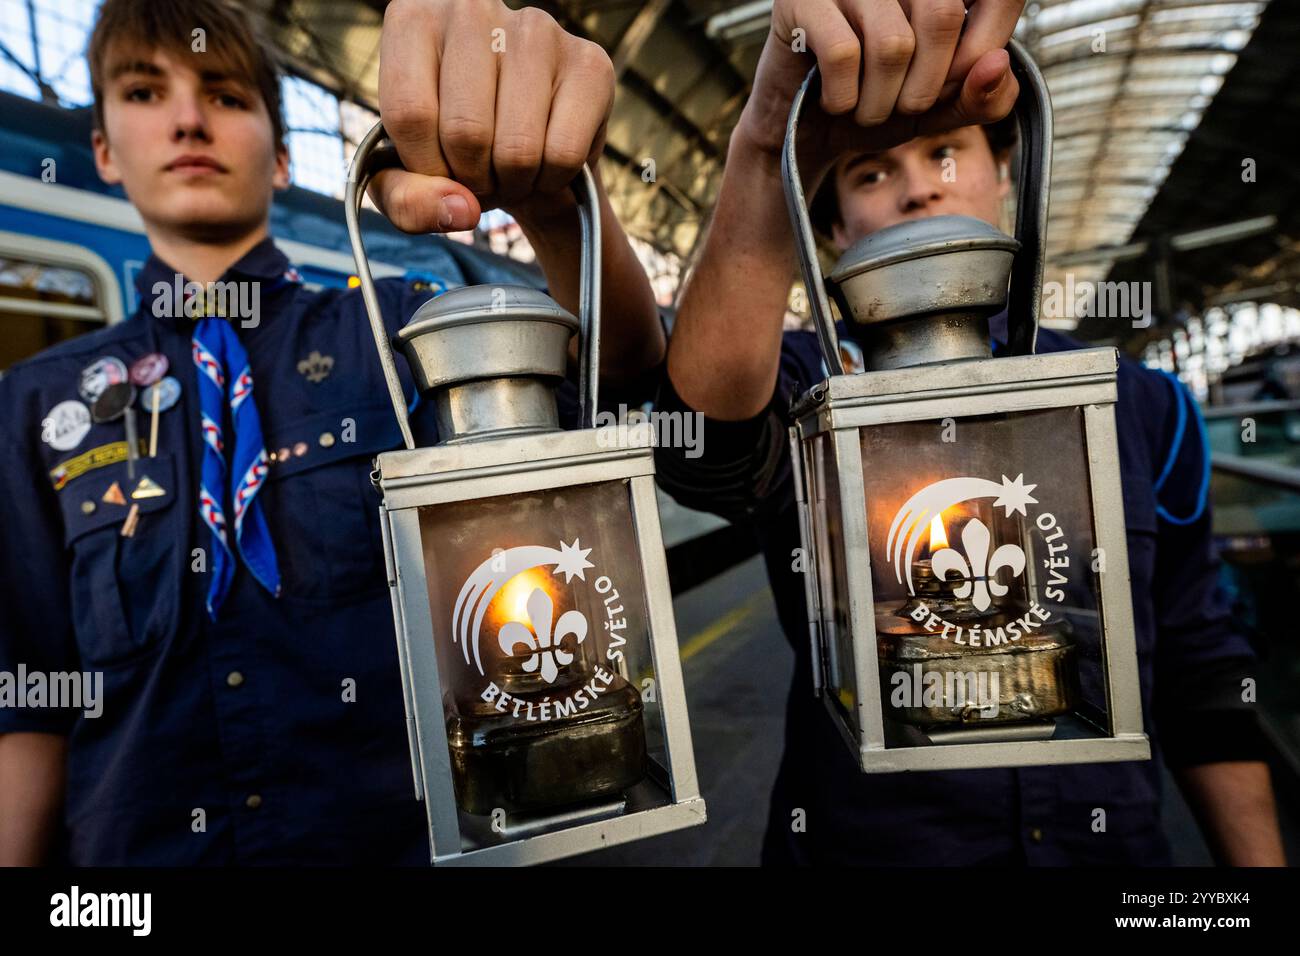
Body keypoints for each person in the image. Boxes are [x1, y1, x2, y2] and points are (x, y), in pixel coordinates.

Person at [0, 0, 663, 865]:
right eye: (144, 91)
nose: (190, 118)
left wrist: (552, 201)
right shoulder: (32, 402)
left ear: (280, 159)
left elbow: (617, 378)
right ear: (102, 151)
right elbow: (31, 705)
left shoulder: (398, 330)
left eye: (229, 96)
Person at [653, 0, 1287, 865]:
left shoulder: (1145, 405)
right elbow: (706, 446)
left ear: (1004, 178)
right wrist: (769, 151)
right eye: (870, 172)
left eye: (947, 152)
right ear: (832, 232)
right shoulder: (812, 387)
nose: (919, 186)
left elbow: (1199, 661)